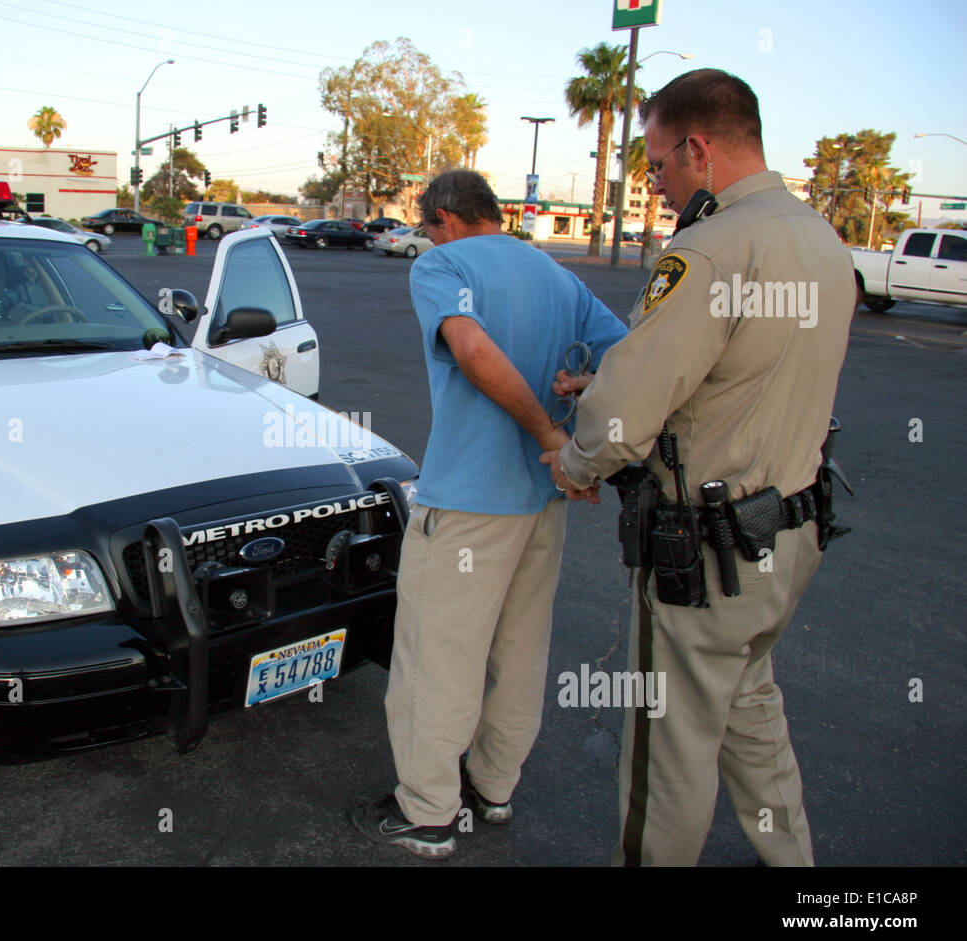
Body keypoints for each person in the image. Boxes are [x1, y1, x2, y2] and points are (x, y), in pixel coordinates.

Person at [541, 69, 855, 866]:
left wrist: (575, 462)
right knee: (750, 712)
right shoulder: (819, 238)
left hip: (707, 557)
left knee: (667, 755)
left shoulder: (711, 248)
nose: (655, 181)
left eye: (655, 164)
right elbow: (741, 374)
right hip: (790, 532)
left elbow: (622, 419)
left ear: (698, 148)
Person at [349, 169, 627, 858]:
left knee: (438, 655)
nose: (422, 236)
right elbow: (632, 356)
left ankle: (428, 813)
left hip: (470, 502)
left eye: (423, 224)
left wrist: (546, 432)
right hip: (543, 499)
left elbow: (470, 349)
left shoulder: (442, 264)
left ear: (442, 217)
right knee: (519, 651)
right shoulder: (557, 274)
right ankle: (493, 789)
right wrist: (581, 411)